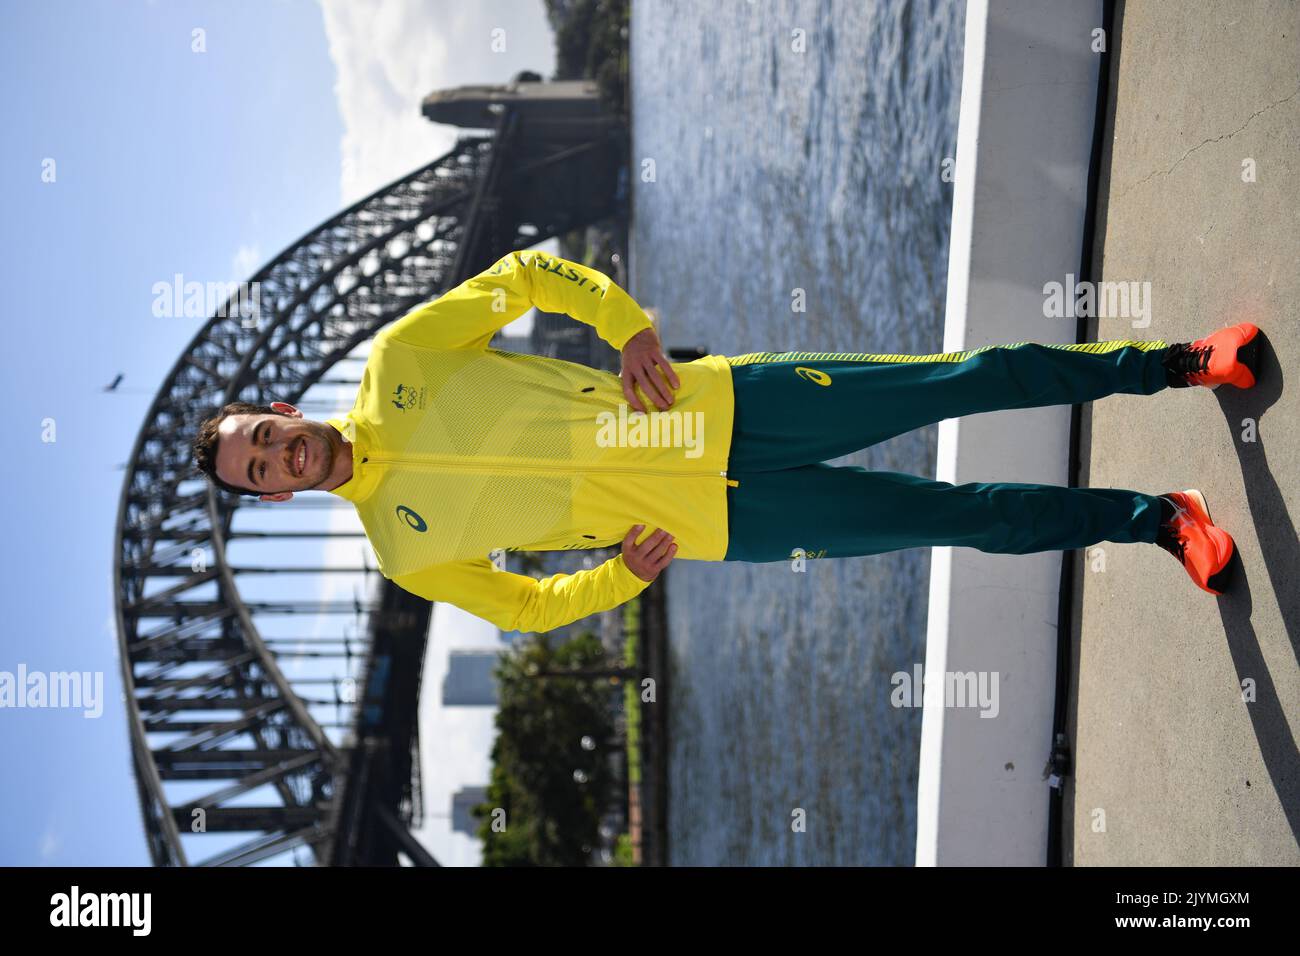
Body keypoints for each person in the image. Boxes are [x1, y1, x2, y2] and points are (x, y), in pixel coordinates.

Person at [192, 250, 1261, 633]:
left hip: (722, 406)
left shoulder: (397, 359)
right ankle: (1159, 519)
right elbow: (519, 608)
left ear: (281, 409)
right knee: (960, 519)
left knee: (961, 382)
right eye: (256, 472)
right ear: (275, 497)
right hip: (715, 521)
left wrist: (626, 325)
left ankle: (1174, 362)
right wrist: (615, 579)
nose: (276, 456)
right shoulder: (401, 550)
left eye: (262, 436)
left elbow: (520, 275)